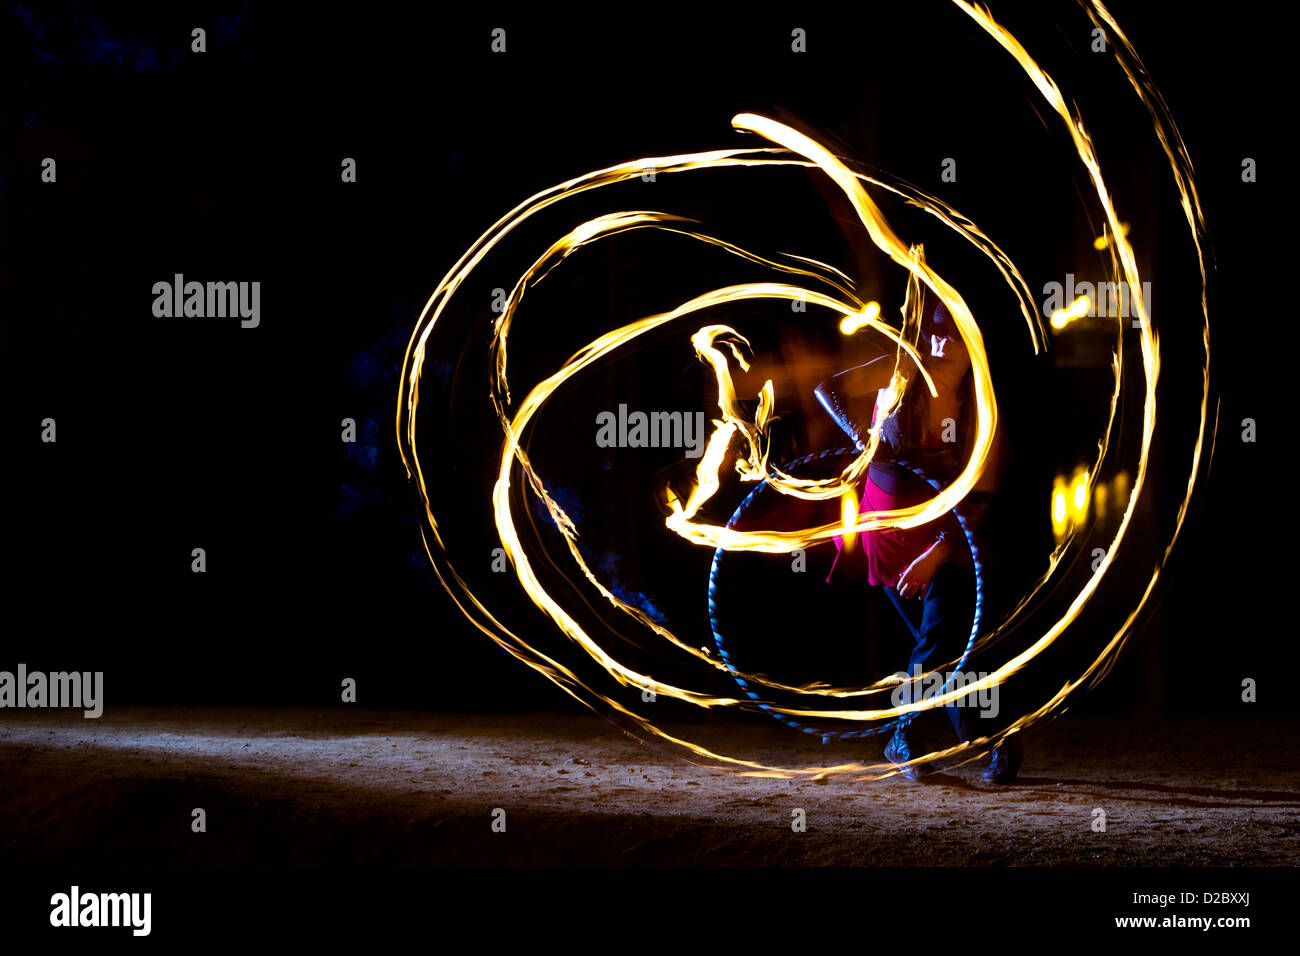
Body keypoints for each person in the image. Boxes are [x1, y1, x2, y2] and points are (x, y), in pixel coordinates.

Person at [816, 296, 1022, 783]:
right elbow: (829, 390)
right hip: (885, 536)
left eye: (951, 333)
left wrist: (939, 552)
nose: (939, 342)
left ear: (973, 345)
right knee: (942, 651)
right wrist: (863, 443)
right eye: (933, 330)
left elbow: (984, 498)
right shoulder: (900, 378)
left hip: (944, 543)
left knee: (939, 645)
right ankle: (984, 742)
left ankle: (917, 736)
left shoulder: (982, 412)